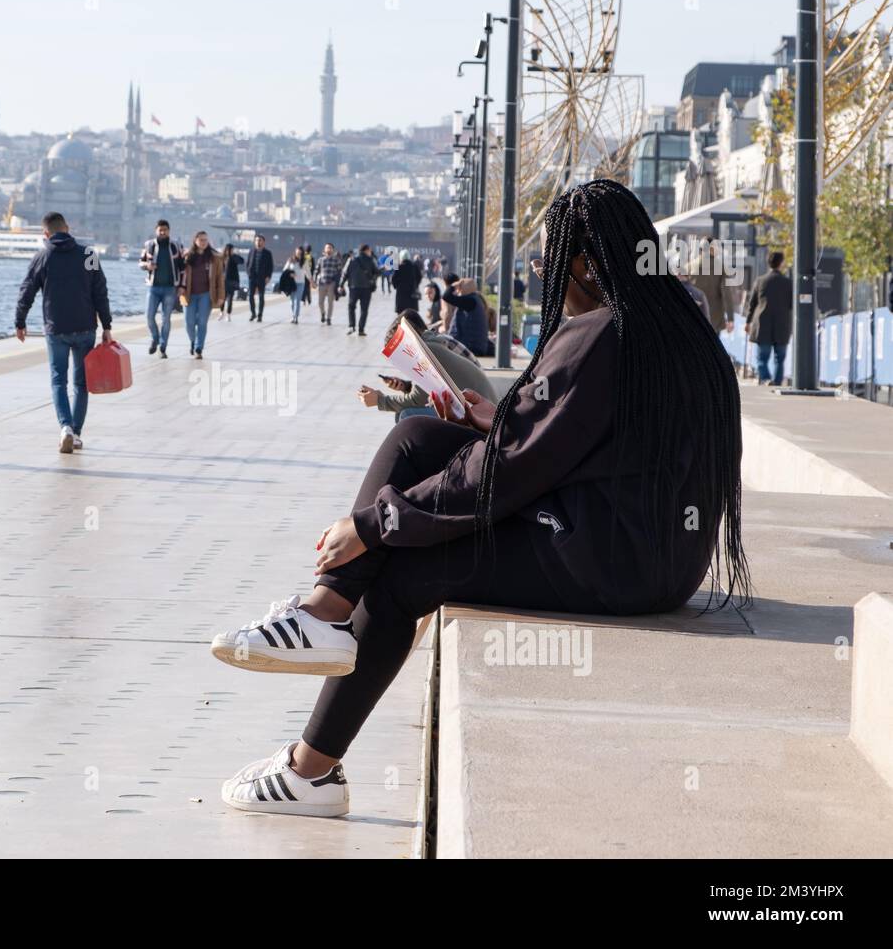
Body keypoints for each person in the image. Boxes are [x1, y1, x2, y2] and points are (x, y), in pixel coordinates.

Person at [208, 179, 750, 816]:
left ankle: (311, 764)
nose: (542, 275)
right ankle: (325, 618)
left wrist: (376, 524)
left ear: (583, 262)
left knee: (406, 569)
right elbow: (590, 446)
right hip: (655, 557)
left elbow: (509, 474)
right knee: (417, 438)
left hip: (608, 561)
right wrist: (501, 422)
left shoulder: (601, 334)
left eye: (546, 262)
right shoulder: (679, 329)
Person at [16, 212, 113, 453]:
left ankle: (65, 427)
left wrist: (20, 321)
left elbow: (27, 290)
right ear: (67, 228)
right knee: (81, 383)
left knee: (58, 379)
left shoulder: (43, 256)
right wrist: (107, 325)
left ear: (45, 234)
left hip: (56, 328)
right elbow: (100, 290)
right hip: (85, 328)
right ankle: (77, 433)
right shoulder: (88, 254)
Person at [357, 310, 496, 422]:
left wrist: (380, 400)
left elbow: (417, 400)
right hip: (482, 409)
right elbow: (429, 393)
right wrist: (406, 386)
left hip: (481, 415)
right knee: (406, 414)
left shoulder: (427, 351)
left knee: (407, 416)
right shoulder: (434, 343)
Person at [746, 251, 792, 386]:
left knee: (762, 358)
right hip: (782, 324)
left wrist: (748, 321)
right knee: (780, 357)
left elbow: (752, 303)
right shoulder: (788, 283)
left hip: (762, 324)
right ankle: (777, 381)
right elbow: (791, 304)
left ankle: (766, 379)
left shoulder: (760, 281)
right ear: (781, 263)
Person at [139, 220, 184, 358]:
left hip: (170, 288)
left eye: (165, 230)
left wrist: (182, 286)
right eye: (160, 230)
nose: (162, 232)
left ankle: (163, 347)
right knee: (149, 316)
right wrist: (147, 266)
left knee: (166, 319)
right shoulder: (149, 245)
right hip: (153, 288)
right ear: (156, 231)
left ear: (169, 231)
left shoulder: (176, 246)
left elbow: (182, 268)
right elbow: (140, 263)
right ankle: (155, 338)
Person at [180, 231, 226, 359]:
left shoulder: (214, 258)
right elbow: (180, 274)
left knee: (202, 322)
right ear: (195, 241)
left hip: (206, 295)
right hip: (189, 294)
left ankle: (199, 348)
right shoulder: (187, 256)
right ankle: (193, 342)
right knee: (188, 322)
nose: (203, 242)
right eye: (201, 240)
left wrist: (221, 296)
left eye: (205, 240)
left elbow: (219, 279)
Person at [690, 242, 737, 333]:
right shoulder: (722, 268)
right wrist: (730, 318)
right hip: (714, 318)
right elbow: (726, 294)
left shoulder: (690, 266)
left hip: (693, 316)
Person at [442, 276, 493, 356]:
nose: (458, 289)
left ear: (465, 288)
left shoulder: (470, 301)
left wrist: (453, 286)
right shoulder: (474, 300)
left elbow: (446, 296)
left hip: (470, 347)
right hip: (474, 345)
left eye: (460, 286)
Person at [341, 244, 378, 336]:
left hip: (353, 288)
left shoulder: (352, 259)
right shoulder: (371, 260)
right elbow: (376, 272)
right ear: (367, 250)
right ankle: (361, 329)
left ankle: (351, 326)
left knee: (351, 307)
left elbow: (345, 273)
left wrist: (341, 284)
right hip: (366, 289)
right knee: (364, 309)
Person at [245, 234, 274, 321]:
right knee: (250, 296)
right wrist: (248, 273)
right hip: (252, 278)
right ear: (254, 242)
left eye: (260, 240)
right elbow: (247, 264)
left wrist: (268, 276)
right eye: (257, 240)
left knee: (261, 296)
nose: (258, 242)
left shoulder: (268, 253)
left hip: (262, 278)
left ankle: (260, 315)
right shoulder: (251, 251)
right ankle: (253, 313)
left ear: (264, 242)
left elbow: (270, 266)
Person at [315, 242, 342, 325]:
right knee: (320, 302)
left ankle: (329, 318)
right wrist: (315, 281)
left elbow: (340, 271)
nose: (328, 249)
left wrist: (339, 283)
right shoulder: (320, 260)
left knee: (330, 302)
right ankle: (323, 313)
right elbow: (316, 271)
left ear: (333, 250)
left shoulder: (336, 260)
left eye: (330, 248)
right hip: (322, 283)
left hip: (332, 283)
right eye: (327, 247)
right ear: (324, 249)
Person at [281, 248, 308, 323]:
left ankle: (296, 317)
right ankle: (293, 315)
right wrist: (290, 274)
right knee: (292, 302)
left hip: (301, 283)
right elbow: (284, 270)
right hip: (292, 284)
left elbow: (308, 273)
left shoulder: (305, 262)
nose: (299, 254)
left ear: (302, 254)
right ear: (295, 253)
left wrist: (312, 281)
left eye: (300, 253)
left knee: (297, 301)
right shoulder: (291, 260)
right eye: (297, 253)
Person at [219, 242, 243, 320]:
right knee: (222, 297)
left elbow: (241, 261)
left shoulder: (234, 257)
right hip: (223, 281)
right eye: (230, 249)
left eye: (232, 249)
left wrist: (237, 255)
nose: (231, 251)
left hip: (232, 281)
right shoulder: (222, 258)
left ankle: (228, 314)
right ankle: (221, 312)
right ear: (226, 250)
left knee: (230, 298)